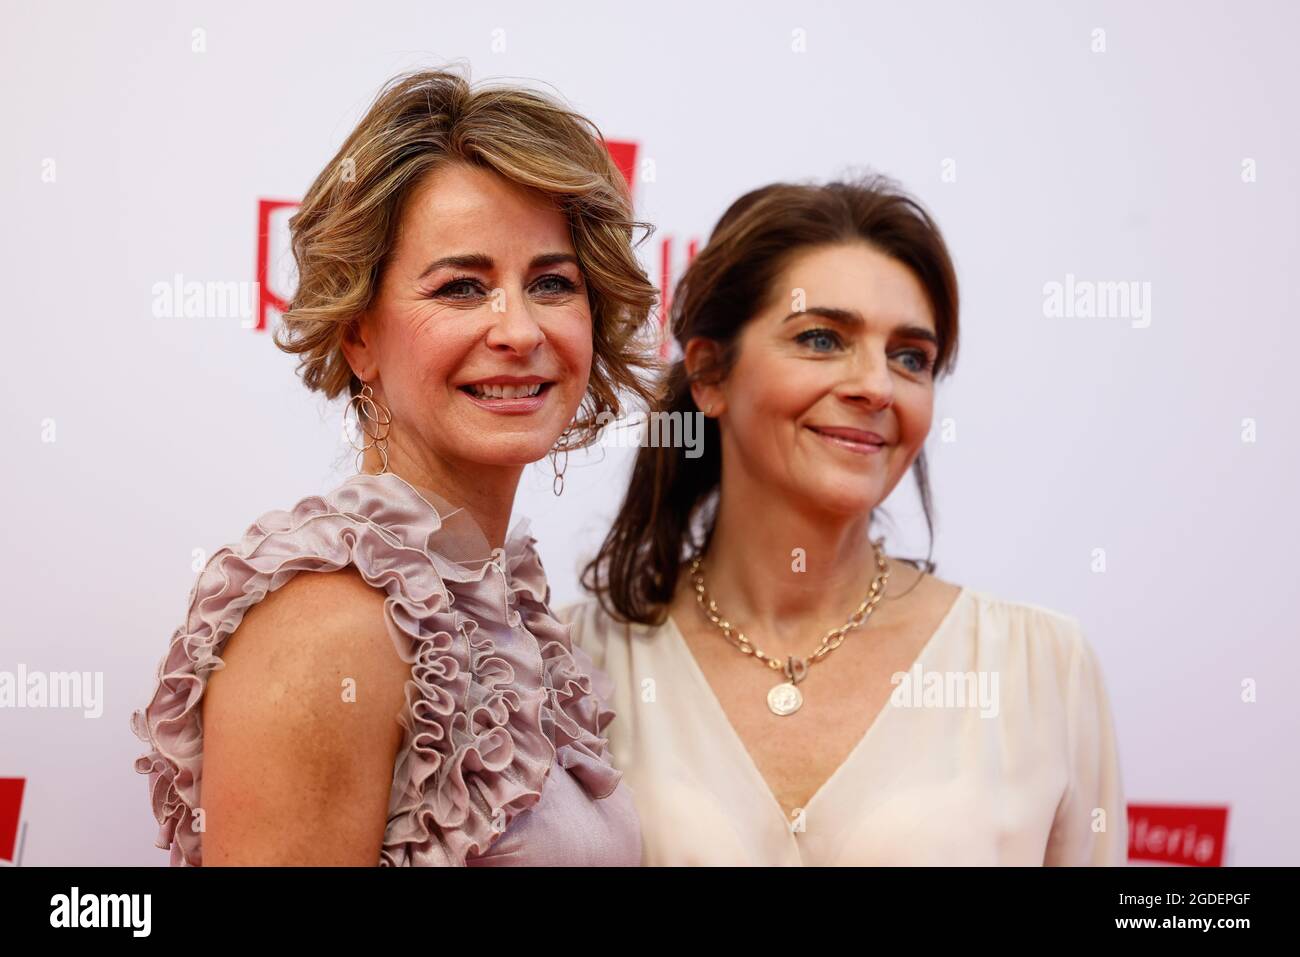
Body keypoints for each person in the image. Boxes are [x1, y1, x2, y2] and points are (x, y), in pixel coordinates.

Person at [130, 67, 658, 866]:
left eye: (552, 282)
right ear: (358, 334)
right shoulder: (328, 626)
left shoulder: (503, 607)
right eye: (461, 287)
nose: (517, 328)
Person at [561, 176, 1127, 865]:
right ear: (710, 374)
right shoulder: (572, 666)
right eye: (823, 338)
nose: (876, 386)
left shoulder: (1041, 669)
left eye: (910, 357)